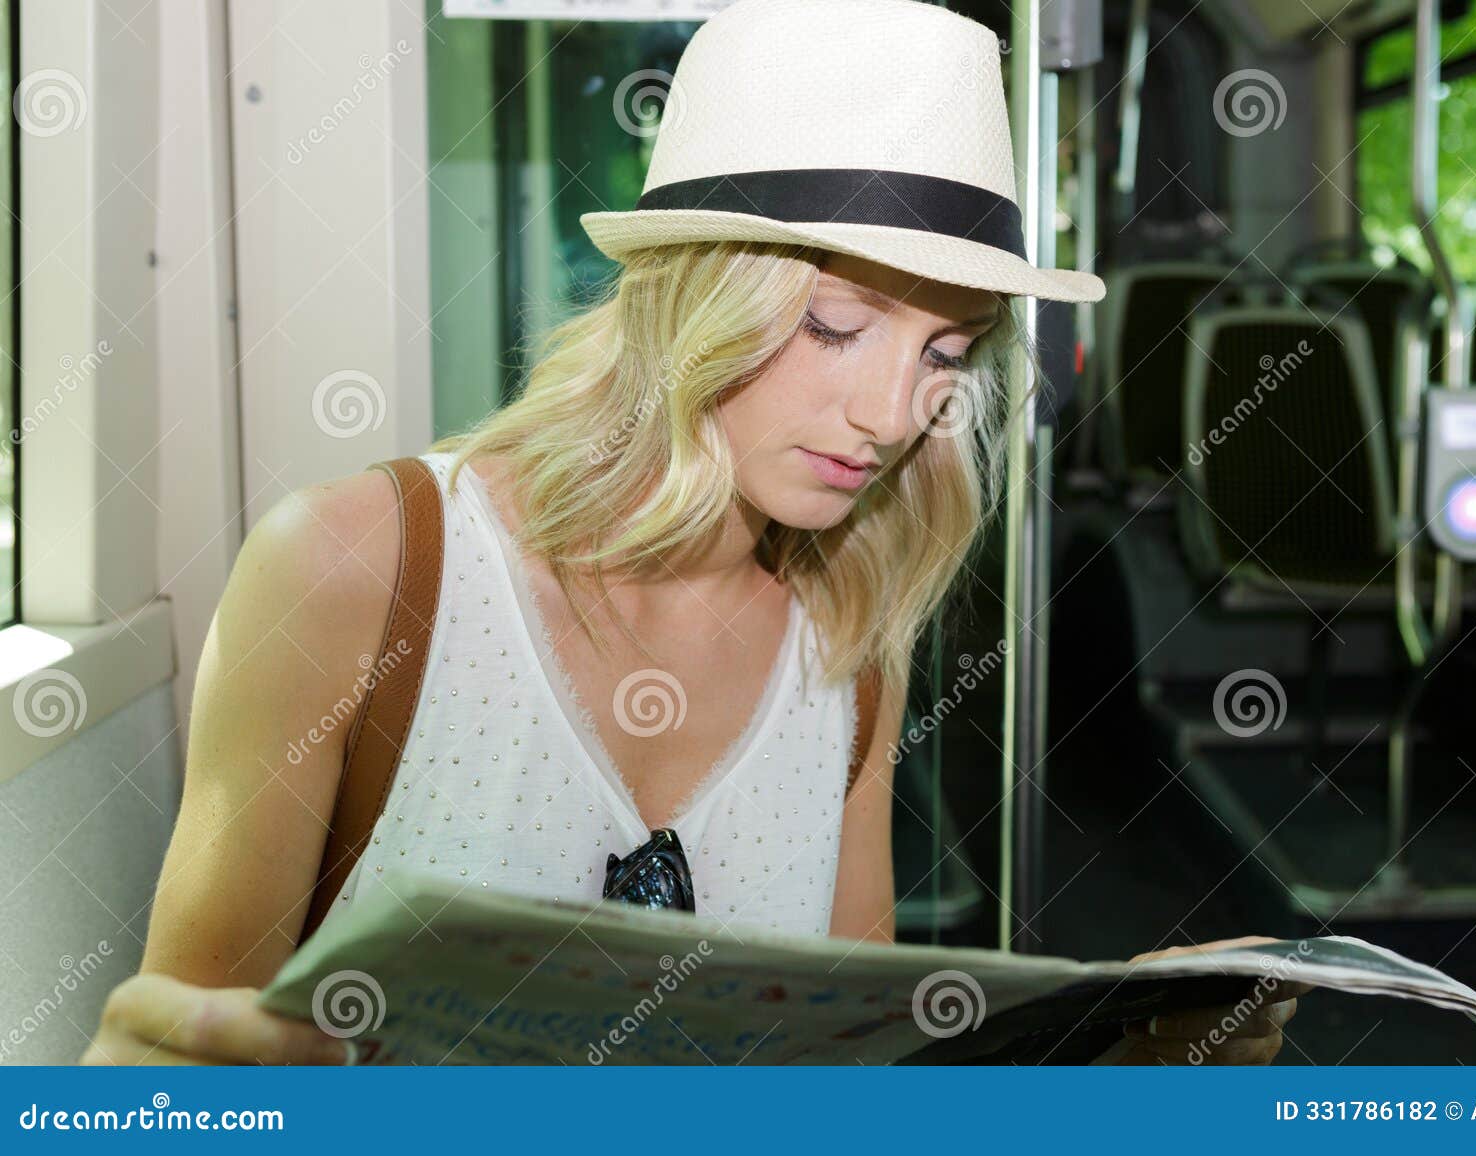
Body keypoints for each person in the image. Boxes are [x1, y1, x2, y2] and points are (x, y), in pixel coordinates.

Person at [82, 0, 1301, 1065]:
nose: (893, 414)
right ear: (697, 296)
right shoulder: (357, 563)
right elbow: (163, 1070)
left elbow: (850, 1083)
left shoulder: (849, 633)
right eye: (834, 322)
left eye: (944, 350)